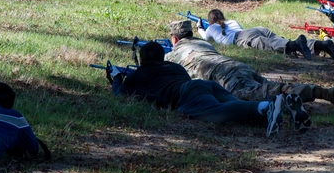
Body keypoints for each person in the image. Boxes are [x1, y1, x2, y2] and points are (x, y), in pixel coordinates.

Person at [109, 41, 310, 136]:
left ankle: (266, 107)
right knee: (236, 105)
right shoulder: (174, 66)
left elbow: (119, 94)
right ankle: (278, 107)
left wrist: (117, 78)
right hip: (203, 85)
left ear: (142, 60)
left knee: (217, 112)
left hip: (186, 95)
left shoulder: (139, 75)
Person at [165, 20, 334, 113]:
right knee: (268, 88)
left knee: (263, 93)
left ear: (174, 39)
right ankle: (291, 103)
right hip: (236, 66)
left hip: (223, 75)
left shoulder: (173, 54)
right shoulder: (203, 44)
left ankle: (322, 93)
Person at [199, 9, 334, 60]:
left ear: (210, 21)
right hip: (253, 29)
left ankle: (295, 45)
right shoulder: (232, 21)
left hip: (241, 38)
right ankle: (320, 44)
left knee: (271, 44)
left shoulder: (211, 29)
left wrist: (200, 27)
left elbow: (205, 37)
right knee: (277, 39)